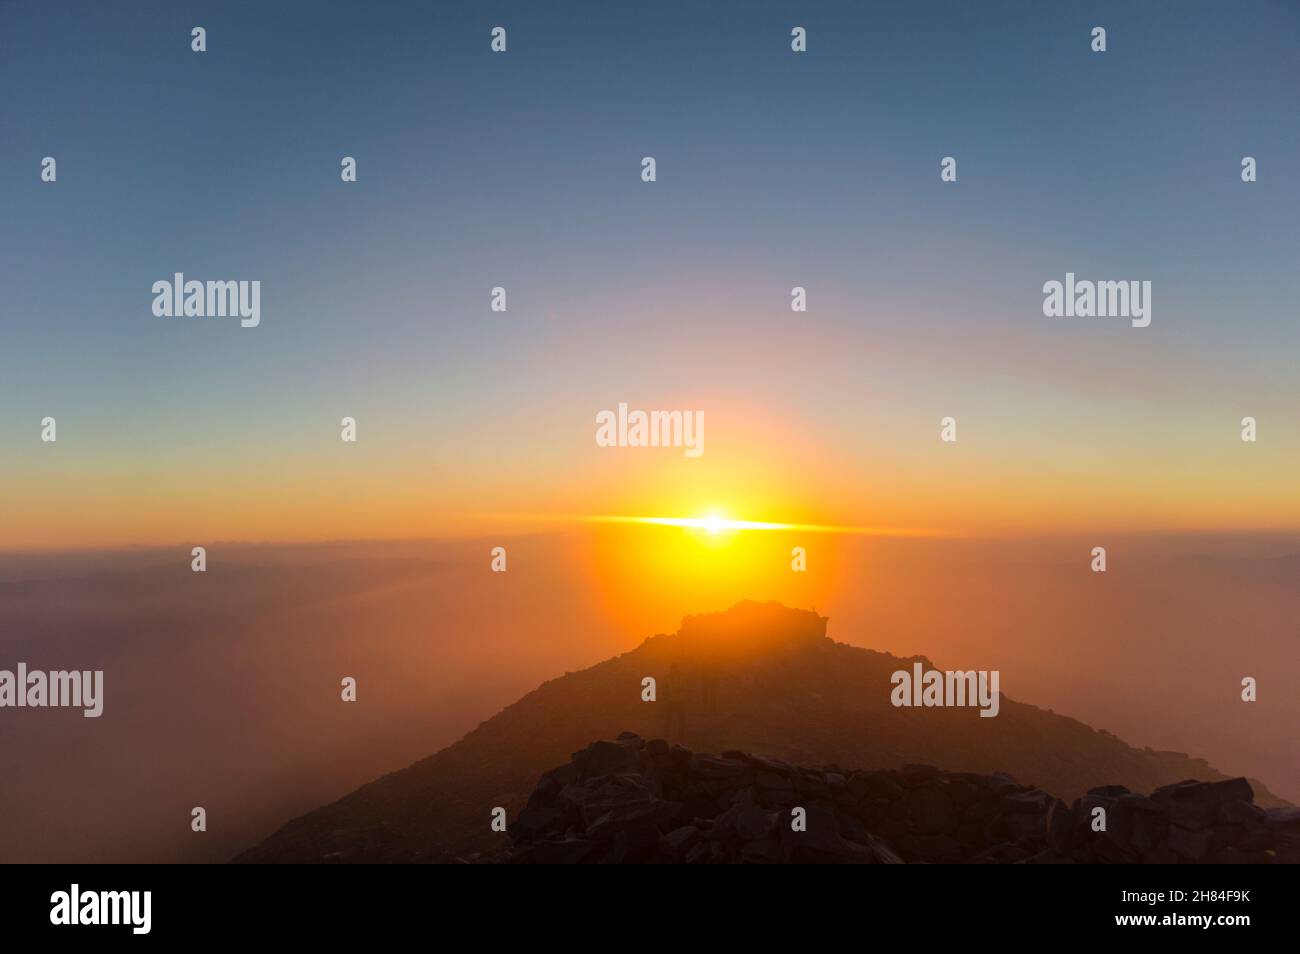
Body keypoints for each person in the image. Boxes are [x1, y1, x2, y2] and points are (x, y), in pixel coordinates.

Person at [661, 662, 686, 742]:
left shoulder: (681, 677)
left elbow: (685, 687)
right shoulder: (667, 678)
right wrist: (667, 692)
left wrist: (679, 689)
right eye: (673, 669)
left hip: (679, 701)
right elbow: (664, 689)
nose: (674, 671)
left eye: (675, 669)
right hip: (671, 701)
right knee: (669, 720)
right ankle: (666, 735)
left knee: (681, 720)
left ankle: (681, 736)